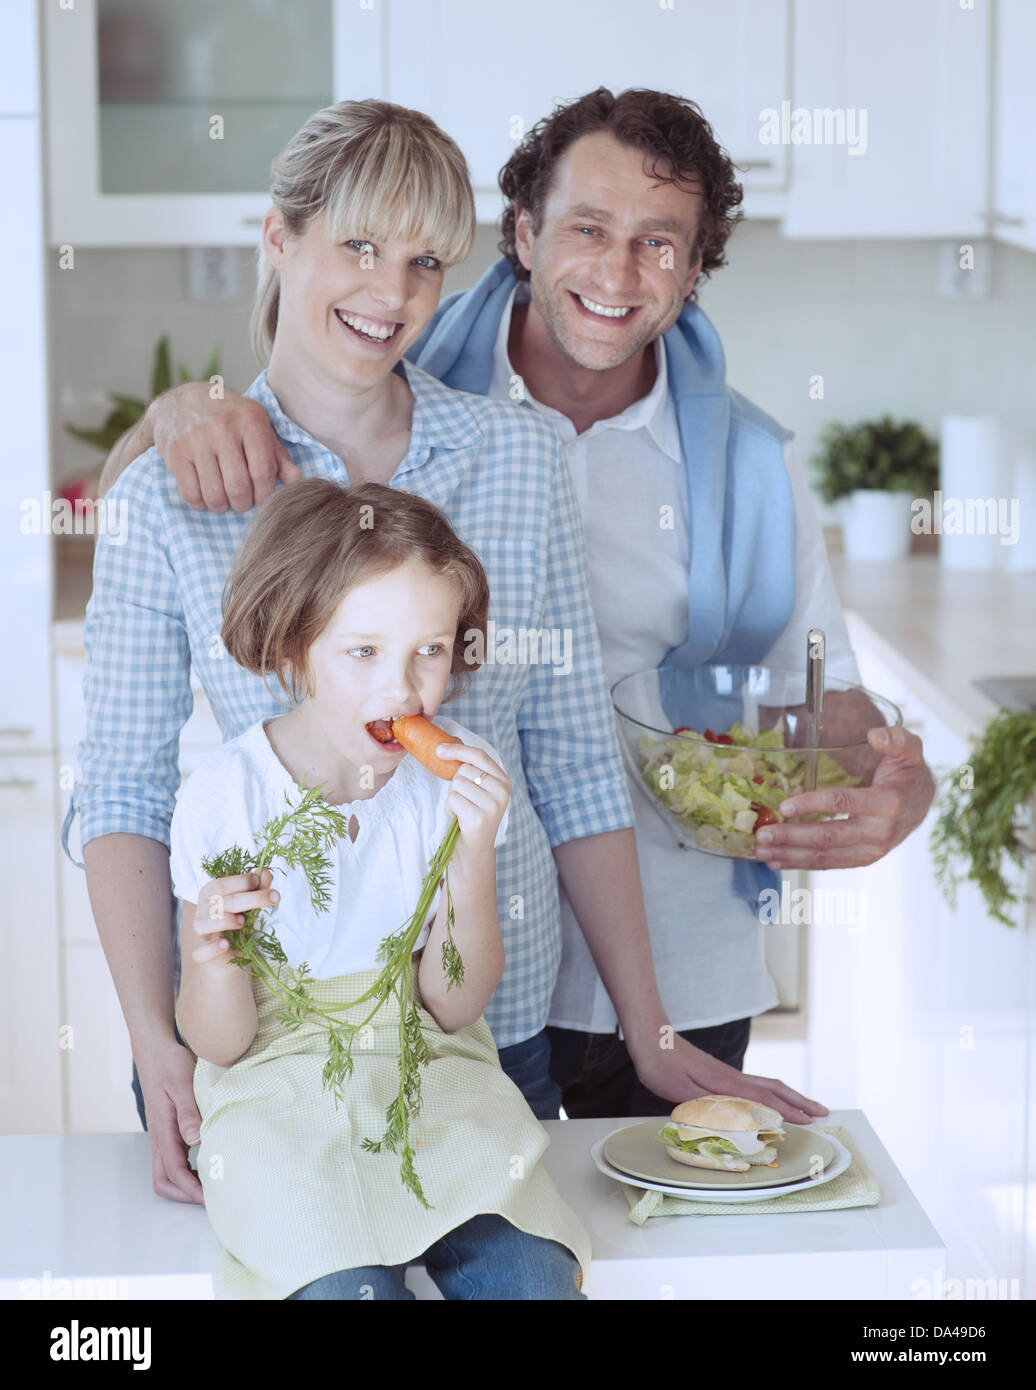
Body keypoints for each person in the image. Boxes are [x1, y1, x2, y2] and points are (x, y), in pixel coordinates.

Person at [112, 87, 935, 1122]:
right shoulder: (231, 460)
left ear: (692, 271)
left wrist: (896, 780)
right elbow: (121, 797)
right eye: (587, 227)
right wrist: (159, 1047)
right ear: (522, 238)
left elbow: (618, 743)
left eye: (658, 243)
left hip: (576, 995)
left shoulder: (666, 457)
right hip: (301, 1020)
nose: (617, 268)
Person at [170, 476, 589, 1300]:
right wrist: (212, 956)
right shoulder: (225, 799)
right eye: (362, 652)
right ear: (293, 649)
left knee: (533, 1275)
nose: (402, 690)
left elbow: (456, 1006)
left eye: (429, 651)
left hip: (431, 1068)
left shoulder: (452, 781)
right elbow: (218, 1044)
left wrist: (471, 853)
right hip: (278, 1085)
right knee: (336, 1286)